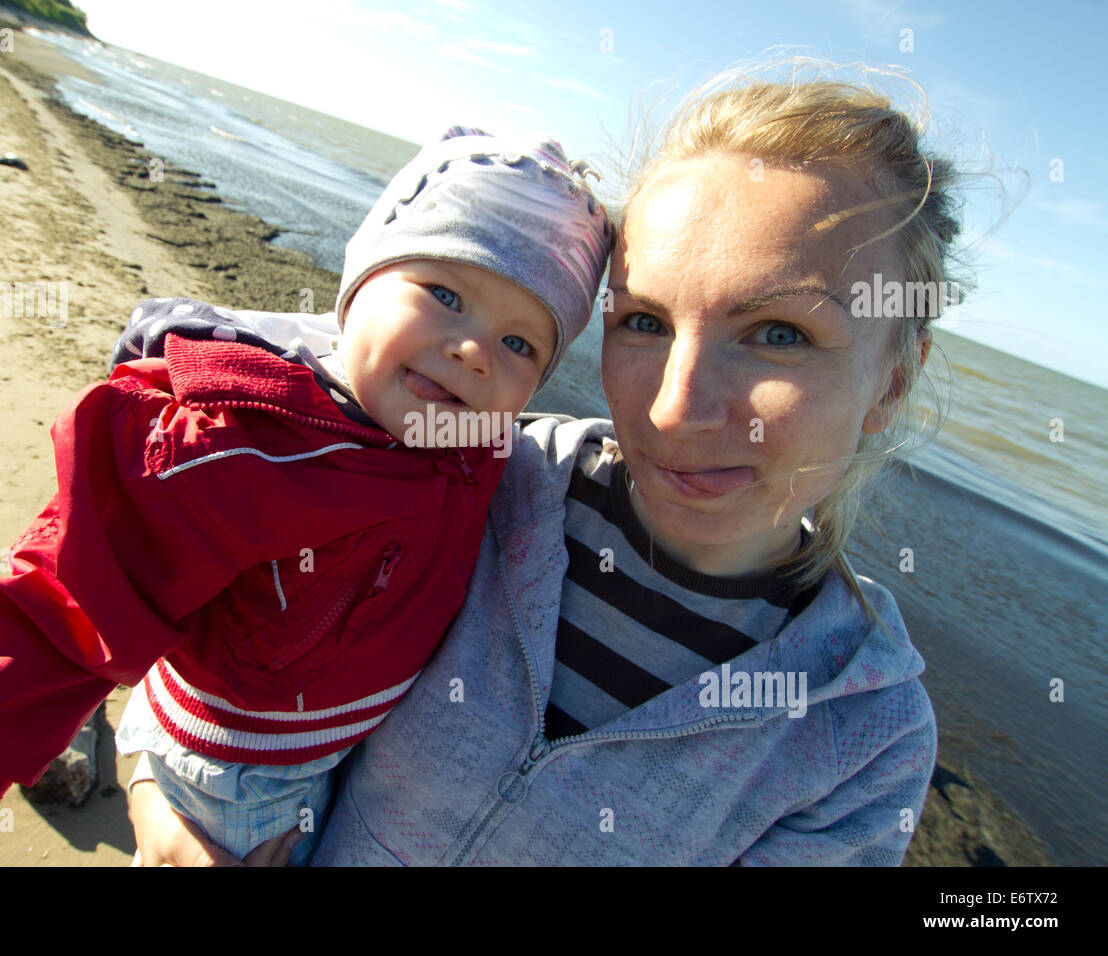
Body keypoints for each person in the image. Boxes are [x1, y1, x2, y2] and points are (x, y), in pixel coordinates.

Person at [130, 67, 957, 866]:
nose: (673, 410)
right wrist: (158, 804)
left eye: (780, 333)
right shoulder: (474, 478)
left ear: (891, 381)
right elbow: (224, 652)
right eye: (644, 322)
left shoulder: (861, 737)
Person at [0, 128, 613, 867]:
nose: (474, 349)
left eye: (520, 343)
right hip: (229, 773)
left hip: (341, 759)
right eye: (443, 293)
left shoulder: (475, 450)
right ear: (359, 285)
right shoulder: (245, 445)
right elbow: (75, 596)